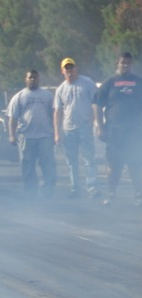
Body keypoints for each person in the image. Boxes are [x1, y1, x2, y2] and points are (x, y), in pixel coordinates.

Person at [95, 52, 142, 206]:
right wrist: (100, 127)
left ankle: (138, 195)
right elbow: (97, 105)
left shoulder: (140, 82)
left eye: (128, 63)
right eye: (122, 63)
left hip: (136, 133)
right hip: (115, 133)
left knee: (136, 165)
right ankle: (111, 194)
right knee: (114, 166)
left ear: (132, 64)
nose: (125, 65)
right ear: (117, 64)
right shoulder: (109, 83)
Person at [53, 57, 101, 198]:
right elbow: (58, 112)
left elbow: (96, 102)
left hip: (85, 127)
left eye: (71, 67)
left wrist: (95, 121)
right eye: (66, 68)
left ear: (76, 68)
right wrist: (57, 133)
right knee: (71, 161)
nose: (69, 70)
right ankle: (75, 188)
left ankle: (92, 188)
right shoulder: (60, 89)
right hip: (68, 129)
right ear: (62, 71)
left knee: (89, 158)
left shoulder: (87, 83)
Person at [6, 70, 57, 196]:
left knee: (47, 164)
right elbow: (13, 118)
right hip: (26, 136)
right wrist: (12, 135)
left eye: (35, 77)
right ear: (26, 79)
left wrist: (56, 133)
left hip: (45, 136)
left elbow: (54, 116)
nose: (33, 79)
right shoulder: (19, 96)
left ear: (39, 79)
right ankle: (31, 191)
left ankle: (48, 190)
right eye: (30, 77)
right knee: (27, 165)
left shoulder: (47, 96)